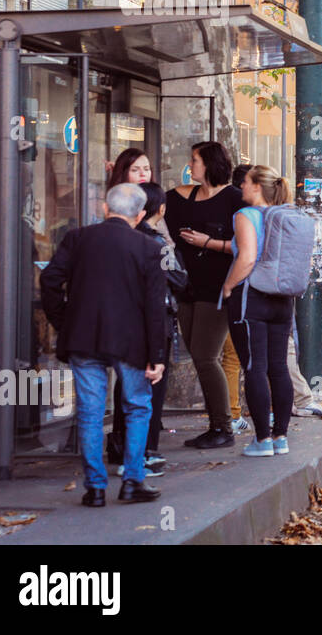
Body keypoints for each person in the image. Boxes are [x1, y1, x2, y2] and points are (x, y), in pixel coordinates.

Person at [39, 183, 167, 506]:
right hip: (131, 341)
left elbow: (50, 280)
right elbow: (155, 307)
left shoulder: (78, 238)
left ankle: (95, 488)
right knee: (138, 407)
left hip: (83, 338)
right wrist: (157, 355)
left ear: (105, 209)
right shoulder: (149, 249)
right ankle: (132, 481)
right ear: (139, 216)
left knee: (91, 412)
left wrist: (64, 321)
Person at [165, 141, 244, 449]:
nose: (191, 165)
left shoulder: (234, 200)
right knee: (198, 355)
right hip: (188, 288)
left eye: (195, 160)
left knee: (205, 356)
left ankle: (223, 427)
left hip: (220, 289)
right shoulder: (184, 196)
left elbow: (245, 247)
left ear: (210, 164)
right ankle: (218, 425)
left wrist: (207, 242)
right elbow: (155, 199)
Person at [109, 184, 187, 478]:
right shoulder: (156, 242)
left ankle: (123, 449)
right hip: (155, 321)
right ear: (161, 209)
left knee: (126, 389)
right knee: (152, 390)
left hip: (123, 320)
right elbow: (179, 279)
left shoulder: (124, 237)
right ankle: (144, 453)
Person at [222, 165, 298, 457]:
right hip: (282, 298)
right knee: (278, 367)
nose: (241, 186)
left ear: (256, 187)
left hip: (251, 298)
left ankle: (262, 440)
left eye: (245, 182)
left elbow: (248, 257)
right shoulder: (284, 215)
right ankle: (281, 437)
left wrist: (229, 287)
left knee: (254, 366)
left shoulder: (246, 216)